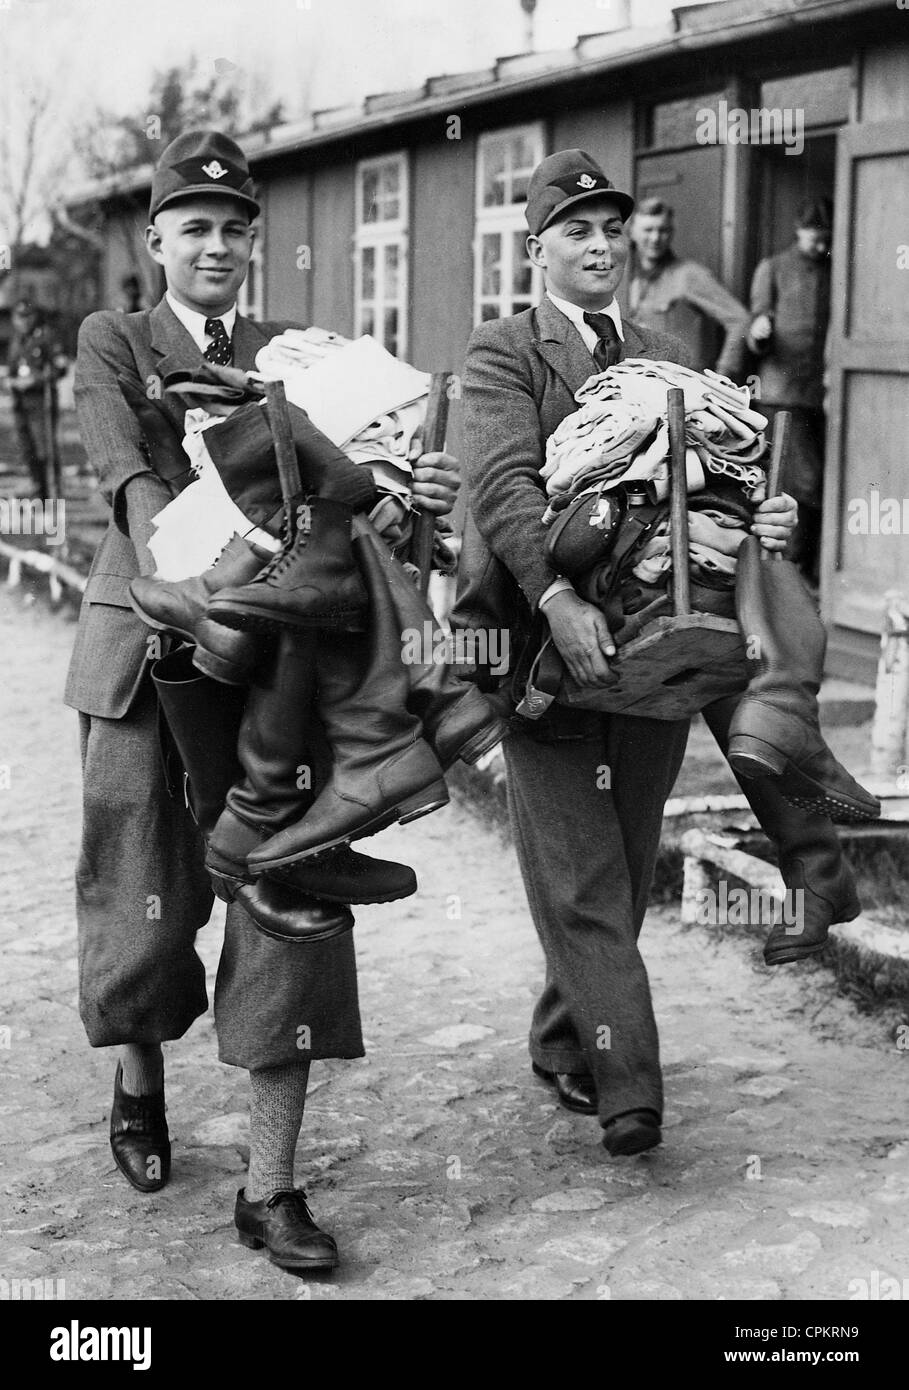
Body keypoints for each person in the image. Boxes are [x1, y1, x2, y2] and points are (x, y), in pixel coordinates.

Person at [64, 130, 460, 1274]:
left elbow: (358, 499)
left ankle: (270, 1185)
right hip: (149, 652)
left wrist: (409, 495)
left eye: (236, 229)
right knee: (140, 898)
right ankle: (140, 1080)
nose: (219, 247)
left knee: (293, 900)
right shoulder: (115, 342)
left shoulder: (297, 354)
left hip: (286, 659)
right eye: (196, 227)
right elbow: (125, 469)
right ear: (156, 242)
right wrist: (183, 576)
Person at [456, 150, 862, 1155]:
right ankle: (628, 1083)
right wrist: (552, 595)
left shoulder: (666, 345)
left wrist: (765, 508)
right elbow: (504, 490)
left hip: (656, 658)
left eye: (611, 229)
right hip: (541, 658)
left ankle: (565, 1036)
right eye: (577, 230)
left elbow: (717, 478)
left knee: (625, 874)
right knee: (584, 880)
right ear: (537, 245)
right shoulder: (504, 353)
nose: (600, 246)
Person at [747, 197, 833, 585]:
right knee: (801, 482)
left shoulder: (834, 270)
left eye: (824, 239)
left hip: (823, 394)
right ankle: (790, 571)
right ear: (799, 231)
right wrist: (760, 329)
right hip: (781, 393)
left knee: (816, 482)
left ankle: (804, 570)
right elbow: (756, 322)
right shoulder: (774, 268)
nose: (818, 246)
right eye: (813, 238)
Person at [628, 198, 750, 378]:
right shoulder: (625, 277)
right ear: (632, 233)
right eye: (648, 230)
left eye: (663, 230)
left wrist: (722, 376)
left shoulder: (689, 275)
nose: (655, 238)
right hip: (639, 386)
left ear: (671, 233)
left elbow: (740, 320)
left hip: (683, 389)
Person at [7, 298, 67, 498]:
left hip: (41, 402)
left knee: (45, 451)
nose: (23, 322)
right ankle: (39, 491)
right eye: (19, 317)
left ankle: (52, 493)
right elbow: (13, 368)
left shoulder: (47, 337)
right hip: (20, 403)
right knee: (27, 450)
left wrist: (36, 380)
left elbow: (60, 367)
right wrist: (11, 381)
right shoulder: (17, 340)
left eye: (27, 317)